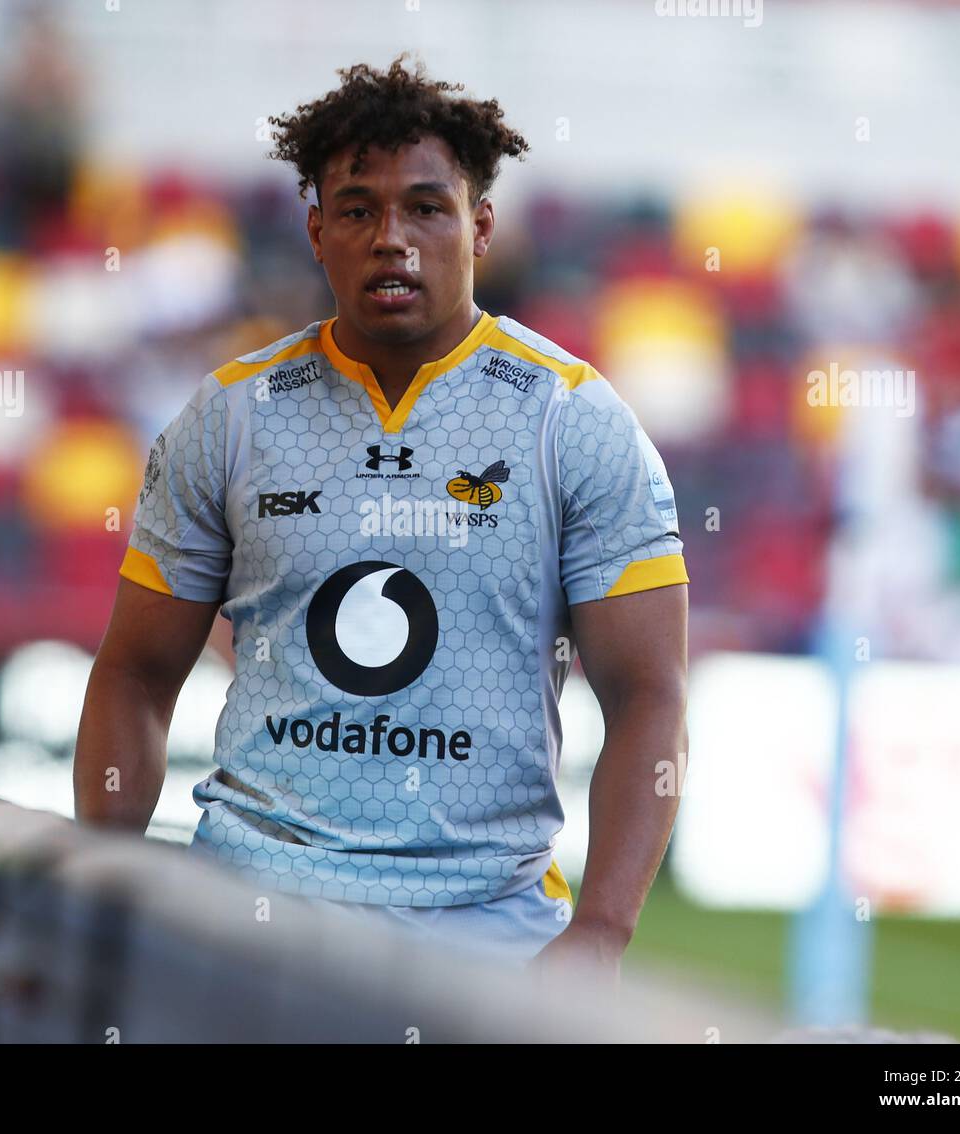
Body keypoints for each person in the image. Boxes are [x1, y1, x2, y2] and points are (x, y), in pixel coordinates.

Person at [74, 55, 690, 983]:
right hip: (251, 905)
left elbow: (651, 695)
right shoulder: (231, 414)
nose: (391, 238)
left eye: (427, 208)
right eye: (357, 209)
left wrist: (599, 936)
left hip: (487, 922)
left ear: (481, 226)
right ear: (316, 231)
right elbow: (133, 672)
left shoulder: (574, 419)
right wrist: (106, 881)